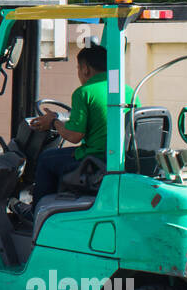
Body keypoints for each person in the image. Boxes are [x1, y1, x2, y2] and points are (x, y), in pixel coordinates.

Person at [29, 44, 133, 201]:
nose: (79, 73)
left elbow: (74, 136)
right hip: (120, 157)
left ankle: (36, 211)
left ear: (85, 69)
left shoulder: (84, 93)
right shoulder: (127, 90)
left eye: (78, 68)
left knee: (46, 158)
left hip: (96, 160)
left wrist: (53, 122)